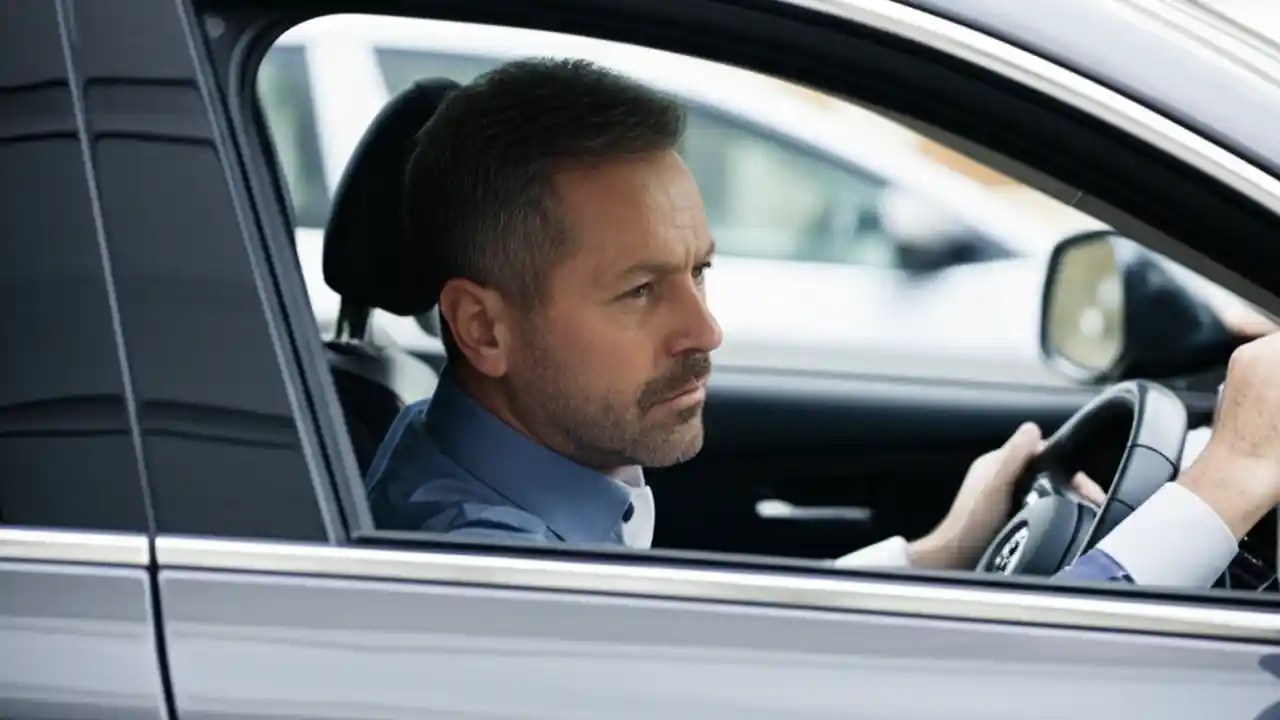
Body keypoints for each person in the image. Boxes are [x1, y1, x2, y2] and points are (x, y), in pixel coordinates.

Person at [367, 58, 1278, 585]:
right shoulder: (491, 571)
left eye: (700, 271)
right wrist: (1227, 483)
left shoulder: (472, 462)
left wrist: (937, 556)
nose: (705, 331)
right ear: (482, 329)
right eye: (640, 290)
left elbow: (720, 679)